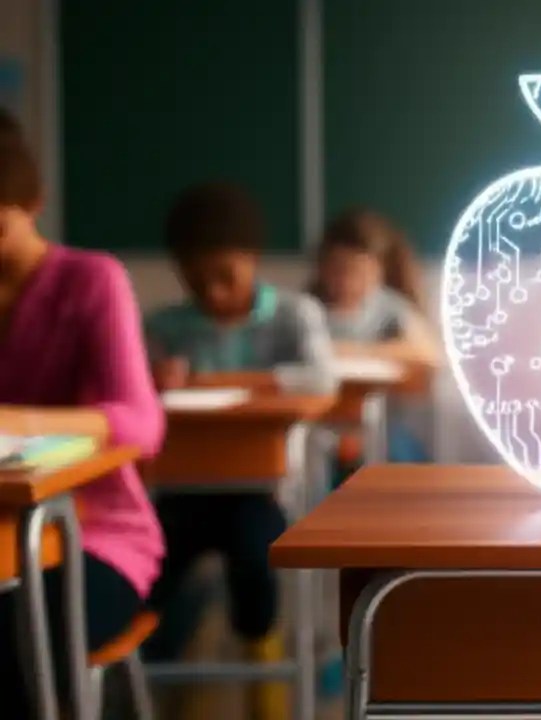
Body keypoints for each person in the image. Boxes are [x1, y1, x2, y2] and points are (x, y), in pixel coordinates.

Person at [144, 182, 334, 719]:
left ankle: (263, 677)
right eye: (195, 279)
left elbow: (322, 378)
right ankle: (156, 685)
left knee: (255, 565)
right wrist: (153, 377)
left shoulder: (293, 314)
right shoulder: (163, 326)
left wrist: (215, 382)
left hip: (260, 489)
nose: (212, 292)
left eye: (225, 275)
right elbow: (128, 392)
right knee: (148, 576)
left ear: (252, 259)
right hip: (181, 490)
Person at [0, 124, 165, 716]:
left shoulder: (91, 280)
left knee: (16, 641)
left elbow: (142, 424)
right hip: (4, 538)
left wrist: (20, 421)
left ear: (34, 203)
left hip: (94, 538)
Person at [309, 208, 437, 463]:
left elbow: (429, 354)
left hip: (382, 428)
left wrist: (355, 351)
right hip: (322, 425)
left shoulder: (388, 308)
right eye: (337, 270)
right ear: (322, 268)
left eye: (358, 272)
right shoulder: (308, 309)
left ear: (379, 271)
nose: (346, 282)